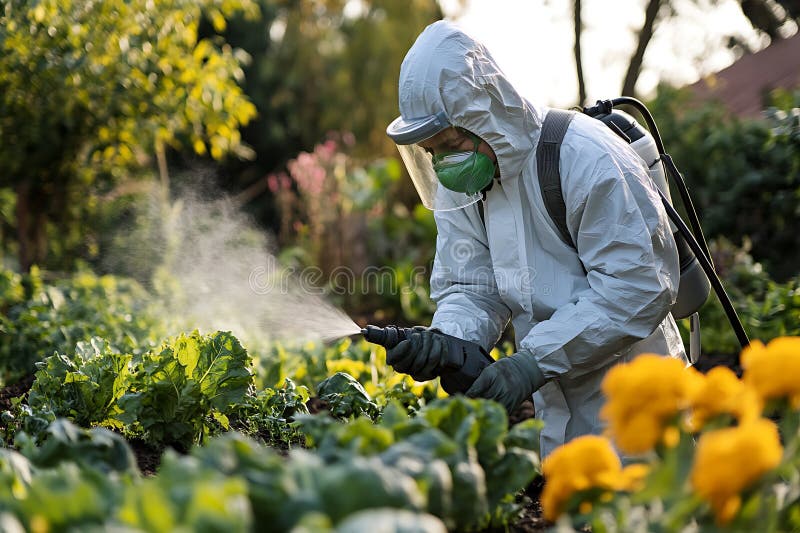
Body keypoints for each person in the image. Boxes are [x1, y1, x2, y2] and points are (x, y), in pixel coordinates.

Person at [384, 20, 687, 458]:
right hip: (557, 428)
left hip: (638, 414)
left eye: (449, 143)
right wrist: (447, 340)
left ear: (482, 115)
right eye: (433, 153)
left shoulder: (586, 159)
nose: (444, 164)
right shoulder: (467, 184)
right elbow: (471, 287)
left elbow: (636, 287)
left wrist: (532, 362)